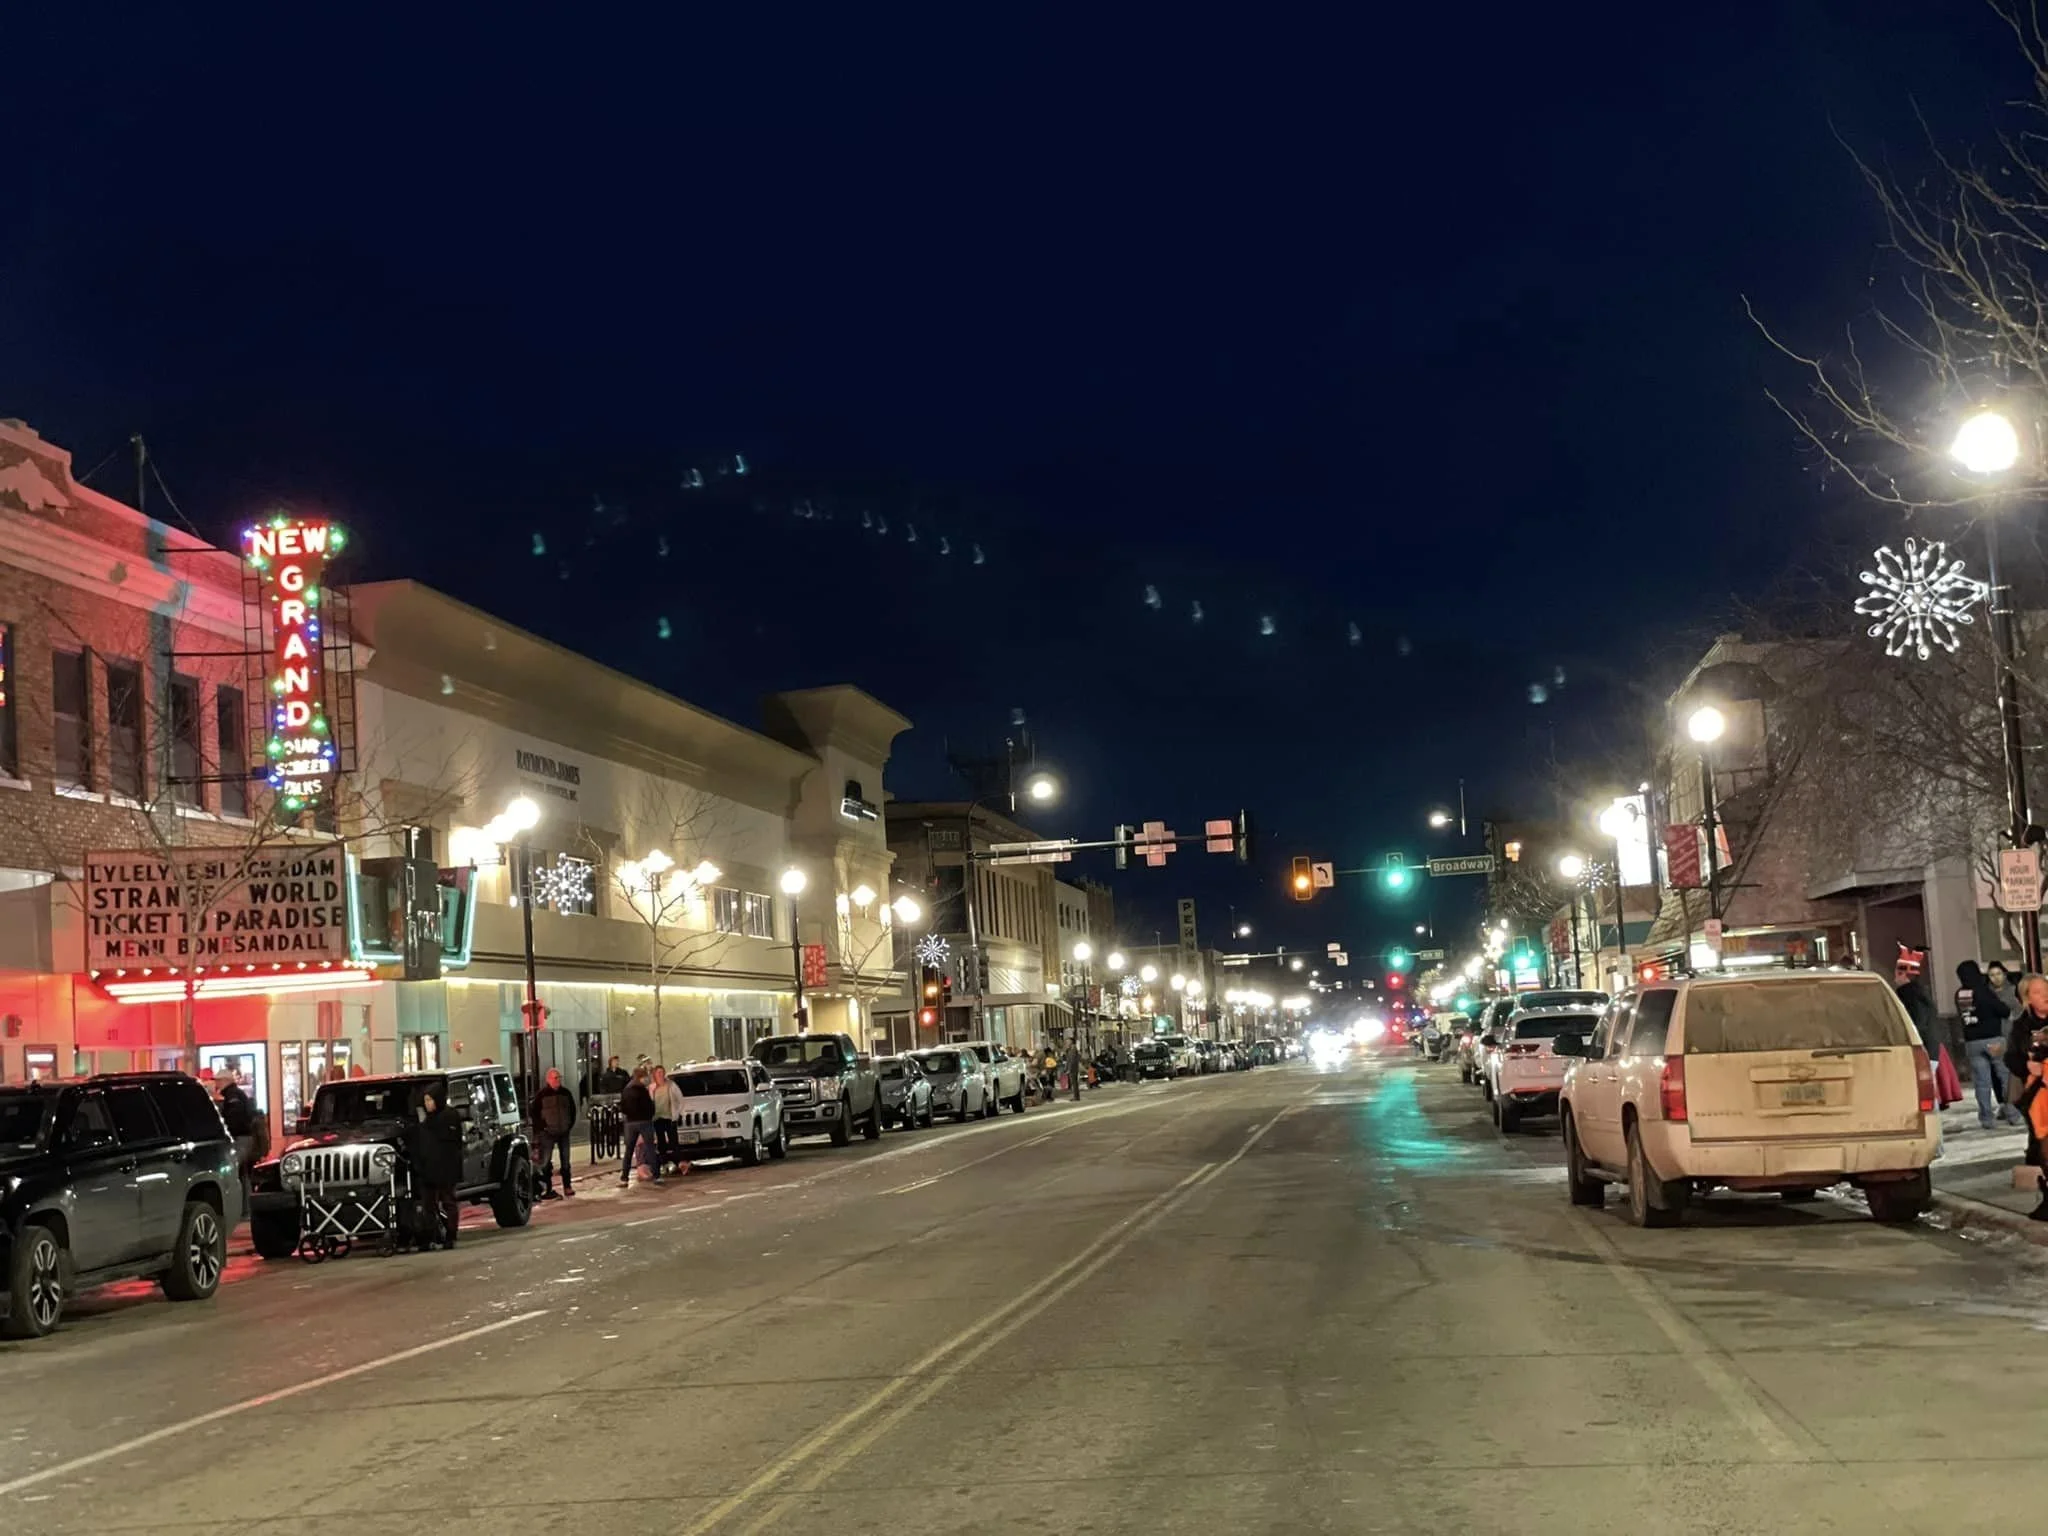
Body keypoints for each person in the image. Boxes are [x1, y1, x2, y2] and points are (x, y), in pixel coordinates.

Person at [1956, 960, 2021, 1130]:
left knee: (1982, 1082)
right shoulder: (1984, 992)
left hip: (1972, 1043)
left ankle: (1986, 1118)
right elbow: (2003, 1011)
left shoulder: (1960, 994)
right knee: (2005, 1077)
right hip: (1993, 1040)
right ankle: (2013, 1114)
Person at [410, 1087, 465, 1249]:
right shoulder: (426, 1121)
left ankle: (450, 1235)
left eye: (430, 1100)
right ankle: (430, 1237)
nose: (428, 1104)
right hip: (428, 1169)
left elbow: (453, 1143)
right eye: (426, 1101)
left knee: (448, 1201)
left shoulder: (449, 1117)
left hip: (445, 1168)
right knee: (429, 1205)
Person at [2014, 975, 2048, 1220]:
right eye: (2037, 992)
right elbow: (2011, 1058)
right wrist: (2027, 1065)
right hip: (2039, 1095)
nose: (2045, 995)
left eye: (2046, 989)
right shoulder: (2021, 1026)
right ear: (2027, 999)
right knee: (2044, 1147)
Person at [529, 1067, 578, 1199]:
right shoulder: (542, 1095)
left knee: (566, 1162)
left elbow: (573, 1110)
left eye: (559, 1077)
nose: (558, 1080)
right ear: (548, 1080)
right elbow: (534, 1113)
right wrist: (543, 1127)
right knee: (545, 1162)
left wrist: (569, 1125)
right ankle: (547, 1188)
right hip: (548, 1134)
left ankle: (567, 1186)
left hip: (563, 1132)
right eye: (555, 1078)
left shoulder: (566, 1093)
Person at [618, 1066, 659, 1185]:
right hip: (644, 1121)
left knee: (629, 1150)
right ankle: (656, 1175)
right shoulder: (642, 1090)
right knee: (650, 1148)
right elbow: (650, 1106)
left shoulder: (626, 1090)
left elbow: (623, 1107)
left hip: (631, 1123)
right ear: (641, 1077)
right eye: (645, 1077)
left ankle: (624, 1177)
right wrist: (650, 1114)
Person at [650, 1065, 687, 1177]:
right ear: (655, 1075)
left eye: (662, 1072)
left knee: (673, 1142)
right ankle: (664, 1164)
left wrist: (677, 1113)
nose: (660, 1075)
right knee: (661, 1143)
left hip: (670, 1118)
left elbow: (680, 1100)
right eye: (658, 1073)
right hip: (657, 1118)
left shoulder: (671, 1085)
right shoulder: (652, 1087)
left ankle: (680, 1163)